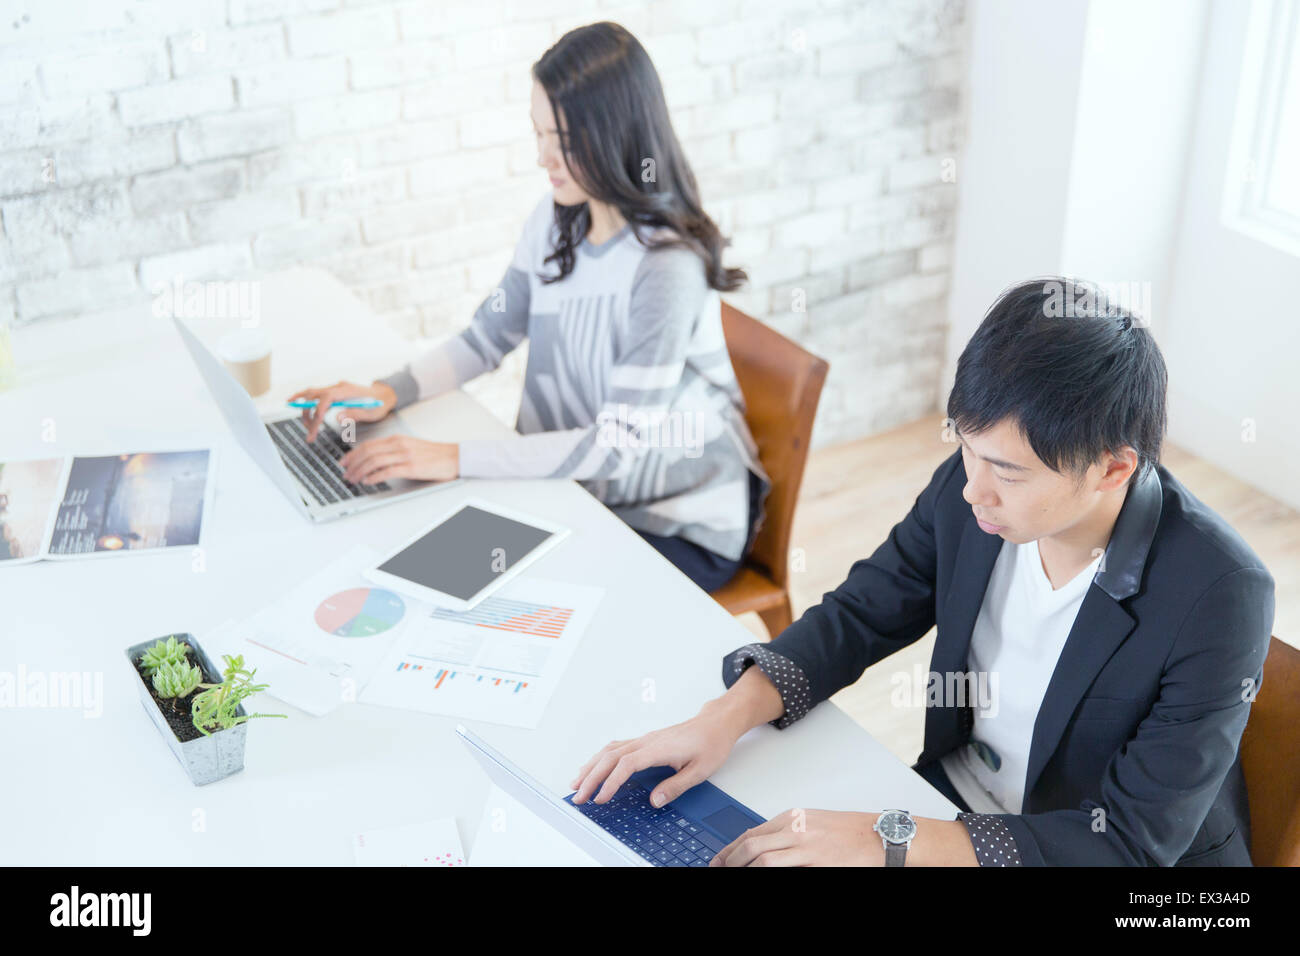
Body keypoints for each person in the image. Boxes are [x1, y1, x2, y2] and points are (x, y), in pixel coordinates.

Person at [570, 277, 1276, 866]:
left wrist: (890, 839)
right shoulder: (976, 490)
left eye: (1006, 470)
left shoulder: (1221, 594)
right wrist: (724, 717)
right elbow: (864, 611)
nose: (974, 490)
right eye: (967, 450)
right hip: (953, 808)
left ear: (1114, 468)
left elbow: (1126, 842)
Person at [289, 22, 769, 592]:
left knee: (506, 594)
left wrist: (451, 456)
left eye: (562, 140)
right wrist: (384, 393)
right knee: (423, 554)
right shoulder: (555, 219)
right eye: (538, 133)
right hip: (574, 490)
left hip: (674, 520)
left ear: (618, 135)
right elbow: (486, 338)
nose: (543, 157)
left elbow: (614, 446)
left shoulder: (665, 267)